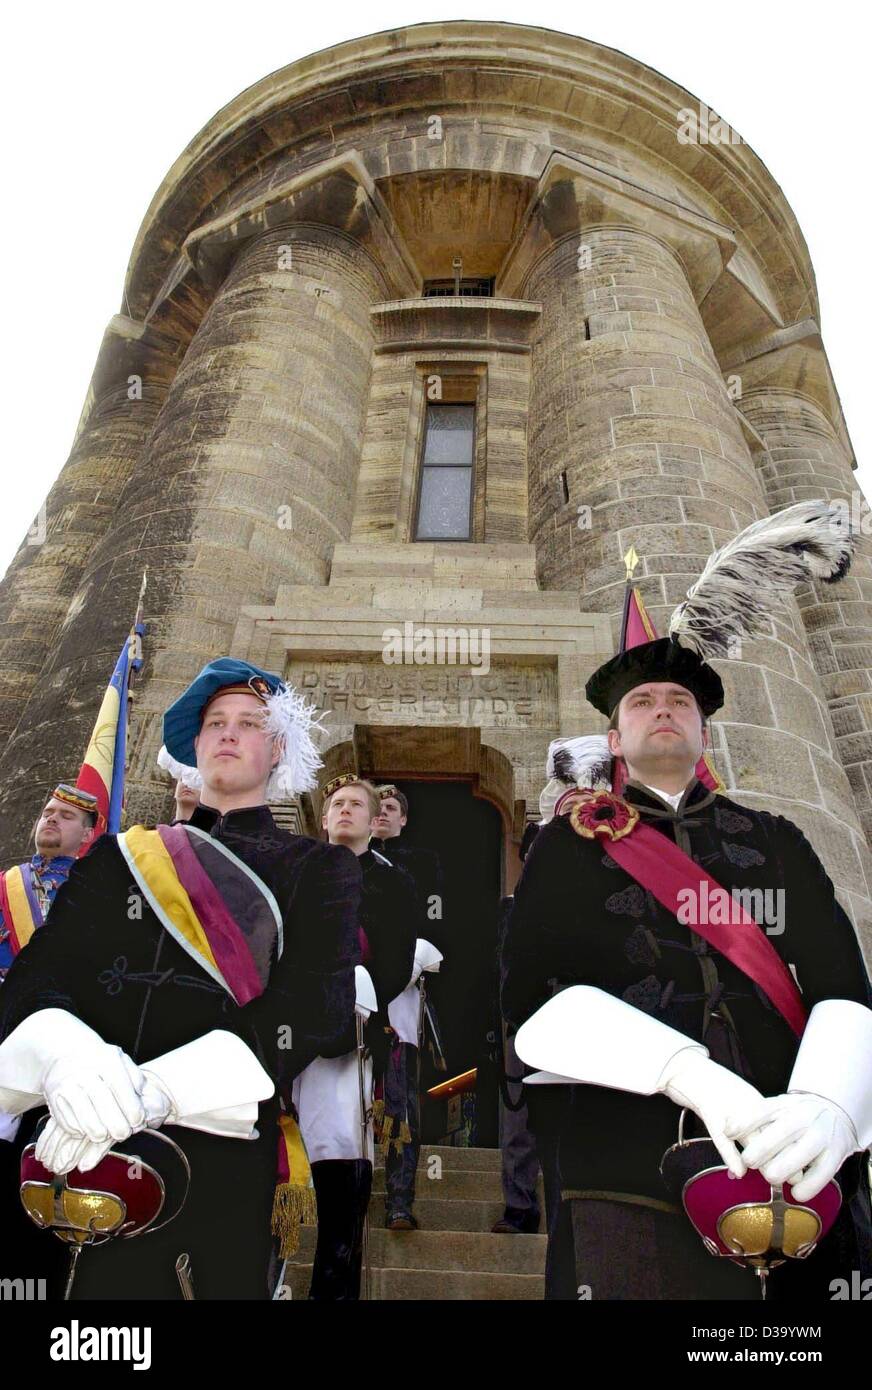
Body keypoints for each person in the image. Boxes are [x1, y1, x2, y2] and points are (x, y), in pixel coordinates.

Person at [502, 502, 872, 1300]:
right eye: (640, 703)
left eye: (678, 701)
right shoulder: (568, 841)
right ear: (613, 739)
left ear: (703, 729)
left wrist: (831, 1109)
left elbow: (841, 976)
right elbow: (529, 990)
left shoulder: (774, 835)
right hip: (624, 1151)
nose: (661, 709)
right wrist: (686, 1075)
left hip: (792, 1142)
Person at [0, 657, 361, 1300]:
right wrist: (64, 1060)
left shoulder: (318, 866)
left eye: (249, 723)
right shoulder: (119, 856)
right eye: (215, 722)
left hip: (214, 1153)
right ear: (194, 746)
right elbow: (38, 978)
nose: (228, 733)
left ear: (277, 748)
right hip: (70, 1135)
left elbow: (316, 1008)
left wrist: (157, 1090)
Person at [293, 773, 420, 1296]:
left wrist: (362, 991)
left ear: (374, 820)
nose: (345, 811)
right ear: (323, 819)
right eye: (337, 804)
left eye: (356, 805)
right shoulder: (293, 873)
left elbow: (396, 961)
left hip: (353, 1037)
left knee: (342, 1159)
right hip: (286, 1034)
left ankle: (335, 1288)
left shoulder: (394, 882)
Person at [0, 783, 98, 1290]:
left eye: (64, 816)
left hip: (64, 1045)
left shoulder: (96, 891)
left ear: (88, 834)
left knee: (49, 1174)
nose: (51, 820)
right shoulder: (6, 886)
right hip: (4, 1038)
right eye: (46, 812)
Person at [372, 783, 445, 1228]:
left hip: (399, 992)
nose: (381, 813)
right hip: (344, 993)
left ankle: (400, 1198)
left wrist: (411, 960)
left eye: (391, 807)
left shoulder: (421, 865)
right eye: (374, 806)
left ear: (403, 820)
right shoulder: (340, 862)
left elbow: (437, 919)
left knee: (399, 1100)